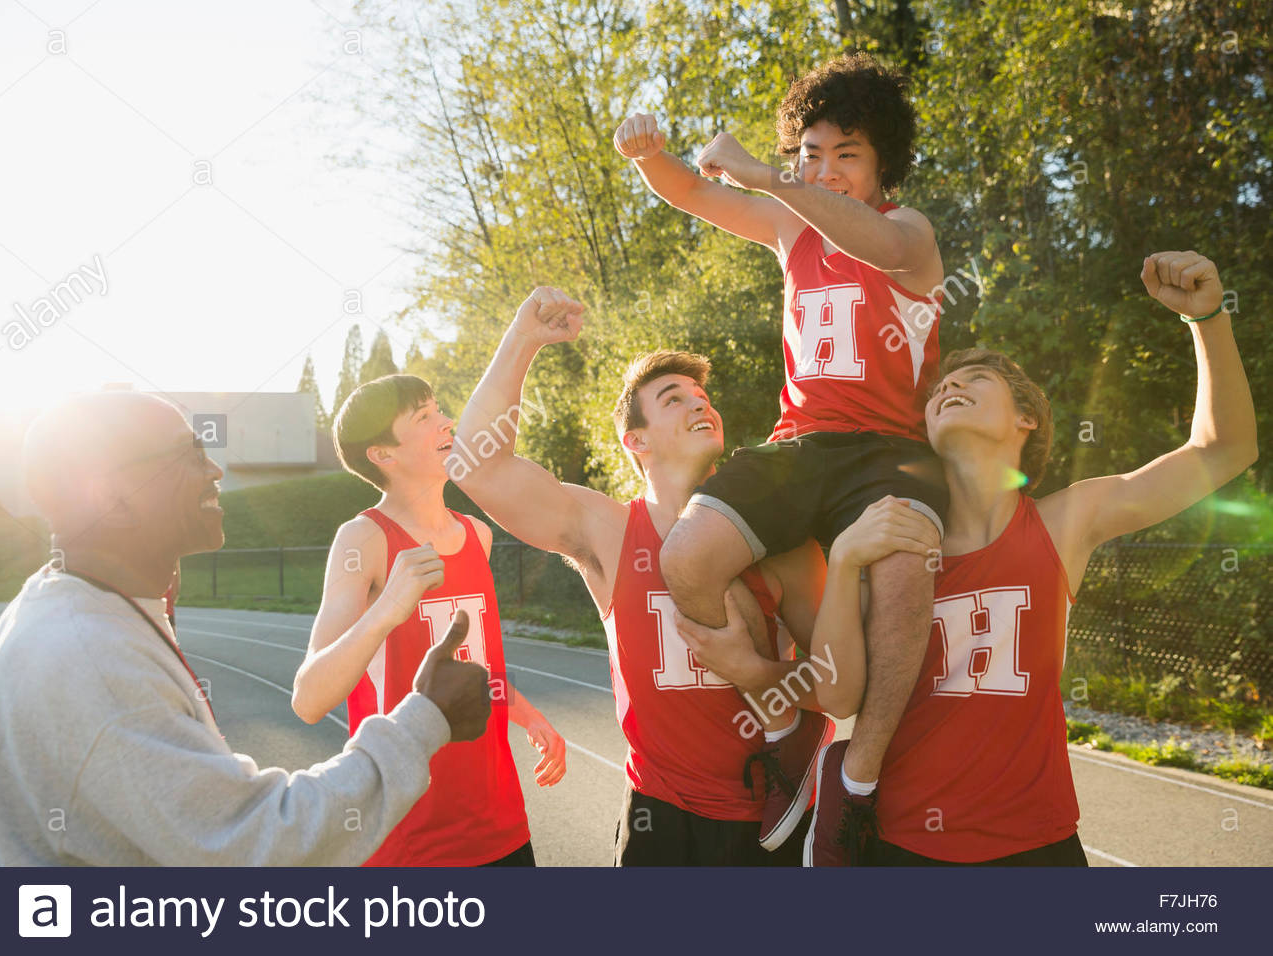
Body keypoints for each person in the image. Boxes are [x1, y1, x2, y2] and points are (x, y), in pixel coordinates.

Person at [678, 250, 1257, 865]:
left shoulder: (1065, 522)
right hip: (896, 843)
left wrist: (1208, 319)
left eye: (976, 380)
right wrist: (845, 562)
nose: (951, 384)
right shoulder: (887, 538)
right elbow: (839, 692)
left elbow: (1224, 450)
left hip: (1036, 846)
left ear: (1027, 418)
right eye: (941, 387)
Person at [615, 52, 949, 857]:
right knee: (688, 557)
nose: (824, 171)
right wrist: (648, 156)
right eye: (811, 153)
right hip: (801, 444)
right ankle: (785, 721)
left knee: (906, 580)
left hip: (888, 451)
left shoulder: (910, 233)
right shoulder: (789, 224)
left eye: (846, 155)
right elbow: (692, 192)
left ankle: (855, 783)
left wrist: (770, 174)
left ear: (881, 166)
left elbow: (877, 245)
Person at [0, 391, 492, 865]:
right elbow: (256, 845)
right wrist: (425, 717)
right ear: (112, 497)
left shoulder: (74, 608)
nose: (215, 470)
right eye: (190, 456)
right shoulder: (88, 659)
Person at [451, 287, 855, 864]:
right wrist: (524, 337)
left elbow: (841, 685)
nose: (700, 405)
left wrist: (757, 671)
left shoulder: (780, 542)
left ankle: (787, 742)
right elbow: (474, 463)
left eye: (701, 396)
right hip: (659, 816)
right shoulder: (609, 531)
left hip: (774, 817)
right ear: (634, 441)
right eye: (674, 399)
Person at [291, 374, 565, 867]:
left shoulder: (476, 534)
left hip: (498, 821)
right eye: (424, 417)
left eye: (439, 409)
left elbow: (471, 663)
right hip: (410, 836)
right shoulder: (364, 539)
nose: (446, 422)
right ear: (383, 454)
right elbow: (309, 698)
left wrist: (530, 716)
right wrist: (387, 608)